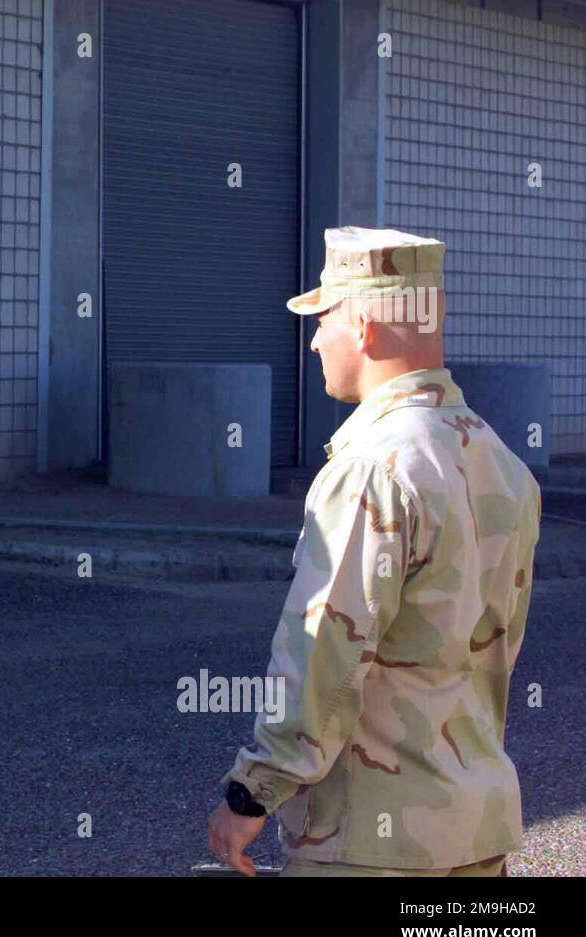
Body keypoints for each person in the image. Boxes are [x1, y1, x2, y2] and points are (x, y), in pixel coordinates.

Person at [207, 227, 540, 877]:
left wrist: (254, 793)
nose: (313, 340)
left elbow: (326, 644)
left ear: (362, 324)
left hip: (373, 842)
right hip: (476, 826)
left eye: (324, 316)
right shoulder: (503, 464)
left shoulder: (375, 468)